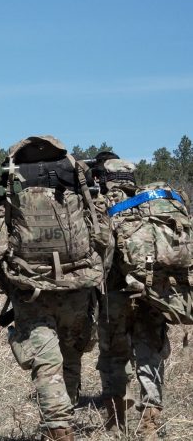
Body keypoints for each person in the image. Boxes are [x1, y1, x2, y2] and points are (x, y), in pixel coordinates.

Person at [0, 136, 112, 441]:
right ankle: (68, 414)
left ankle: (58, 427)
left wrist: (8, 285)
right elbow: (105, 238)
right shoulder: (79, 188)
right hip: (77, 287)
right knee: (71, 354)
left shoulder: (9, 194)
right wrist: (94, 278)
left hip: (30, 290)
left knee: (45, 362)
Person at [96, 157, 191, 439]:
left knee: (113, 355)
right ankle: (151, 419)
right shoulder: (157, 203)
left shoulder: (104, 205)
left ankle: (116, 422)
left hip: (116, 295)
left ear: (105, 179)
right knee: (150, 354)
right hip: (154, 291)